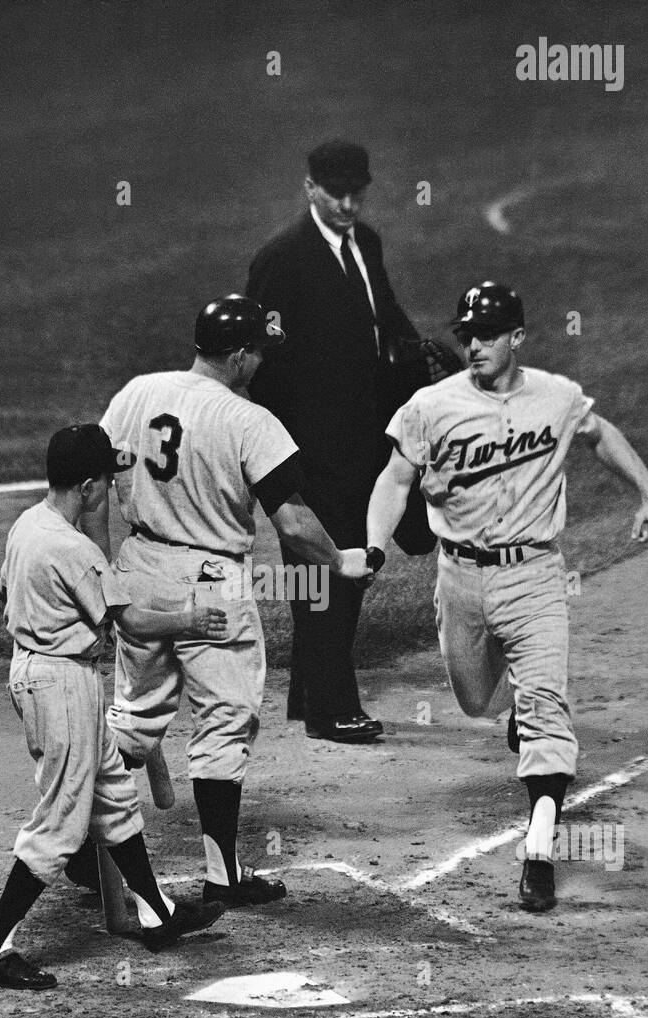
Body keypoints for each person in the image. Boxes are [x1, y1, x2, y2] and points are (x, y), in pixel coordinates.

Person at [364, 281, 648, 913]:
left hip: (534, 575)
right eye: (466, 335)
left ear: (517, 339)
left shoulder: (555, 397)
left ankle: (538, 851)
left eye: (486, 335)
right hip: (460, 579)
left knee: (545, 709)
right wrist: (373, 547)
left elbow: (599, 432)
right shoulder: (430, 405)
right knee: (475, 698)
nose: (473, 345)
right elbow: (394, 479)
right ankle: (518, 710)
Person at [68, 295, 372, 908]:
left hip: (141, 568)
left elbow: (95, 493)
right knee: (223, 725)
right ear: (237, 355)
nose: (262, 362)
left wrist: (105, 582)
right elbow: (293, 522)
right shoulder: (249, 420)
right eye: (258, 351)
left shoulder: (136, 394)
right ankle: (221, 875)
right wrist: (342, 562)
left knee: (134, 715)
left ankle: (81, 845)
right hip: (213, 582)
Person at [0, 426, 228, 990]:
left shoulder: (28, 526)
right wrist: (189, 620)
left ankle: (157, 912)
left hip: (43, 672)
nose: (110, 487)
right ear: (86, 487)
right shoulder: (74, 548)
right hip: (60, 683)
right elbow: (128, 622)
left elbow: (4, 596)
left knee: (112, 791)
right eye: (106, 480)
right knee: (60, 823)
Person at [246, 139, 420, 742]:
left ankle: (308, 694)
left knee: (354, 567)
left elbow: (385, 316)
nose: (348, 205)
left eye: (357, 194)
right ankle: (331, 708)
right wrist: (284, 454)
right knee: (325, 573)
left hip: (365, 442)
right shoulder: (283, 259)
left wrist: (415, 353)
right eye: (336, 193)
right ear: (310, 187)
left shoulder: (366, 243)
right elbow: (262, 365)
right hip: (310, 452)